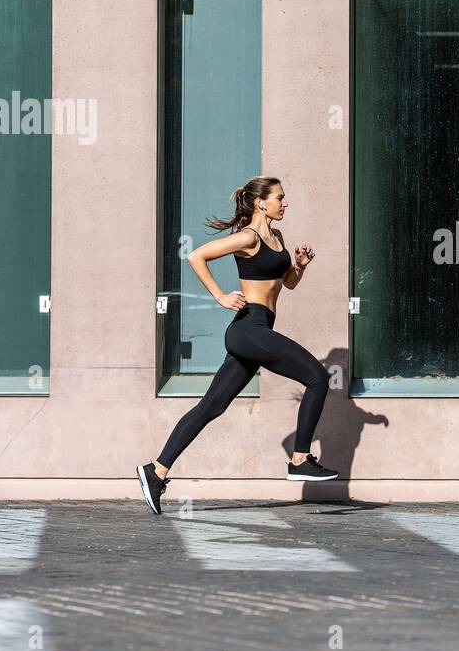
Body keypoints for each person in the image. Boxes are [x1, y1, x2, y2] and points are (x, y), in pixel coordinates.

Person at [136, 176, 337, 515]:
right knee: (318, 376)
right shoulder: (248, 237)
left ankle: (155, 472)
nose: (285, 203)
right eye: (280, 198)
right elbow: (197, 256)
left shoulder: (277, 237)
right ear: (262, 203)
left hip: (258, 330)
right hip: (249, 328)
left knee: (211, 407)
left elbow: (286, 284)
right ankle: (300, 459)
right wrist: (220, 296)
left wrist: (299, 266)